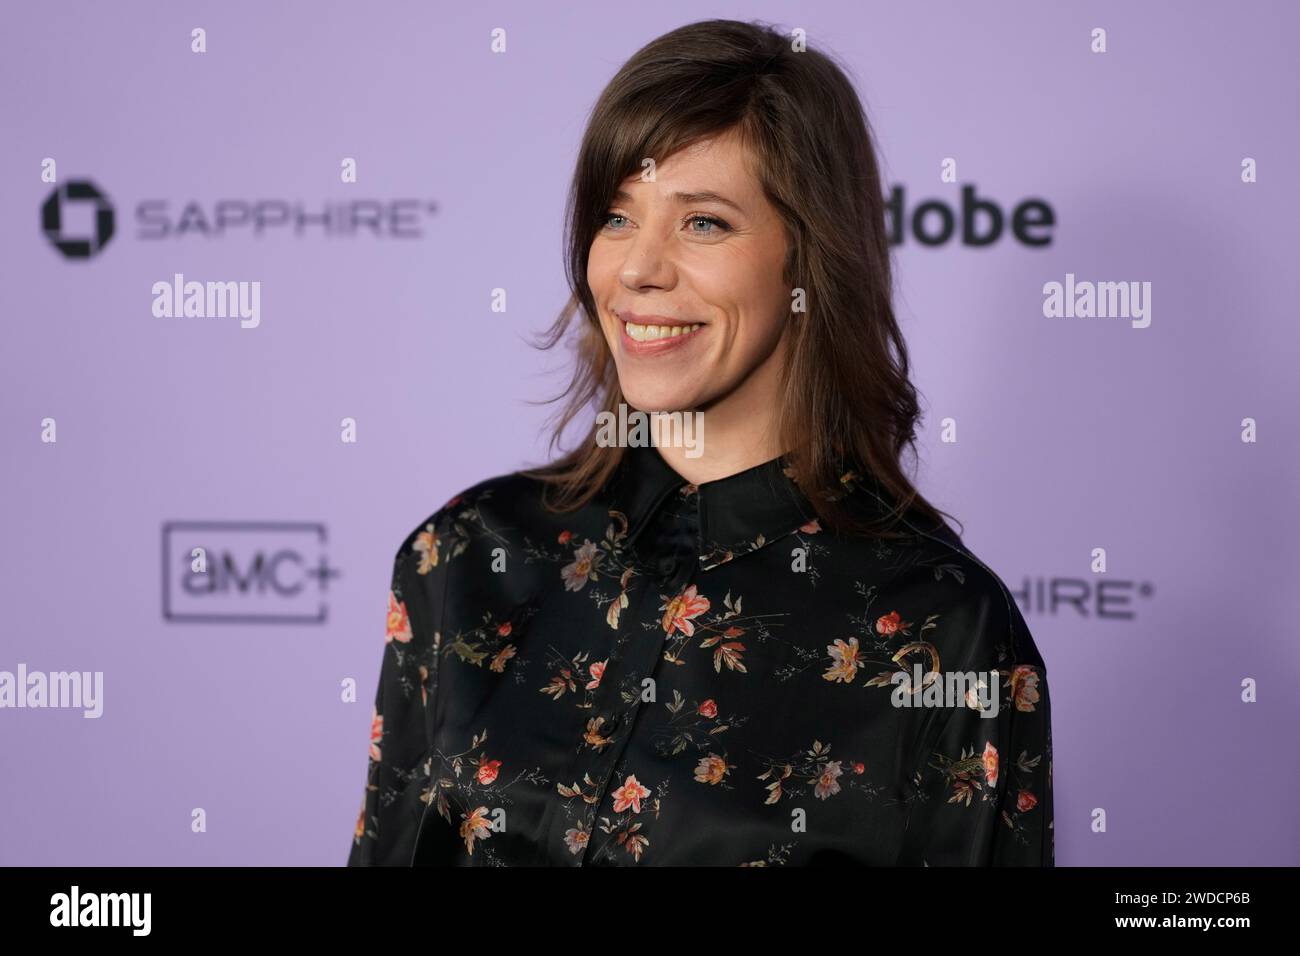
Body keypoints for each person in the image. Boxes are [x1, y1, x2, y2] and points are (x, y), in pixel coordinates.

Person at [347, 18, 1052, 866]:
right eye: (615, 217)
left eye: (704, 223)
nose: (638, 269)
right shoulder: (465, 555)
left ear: (809, 260)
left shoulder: (944, 629)